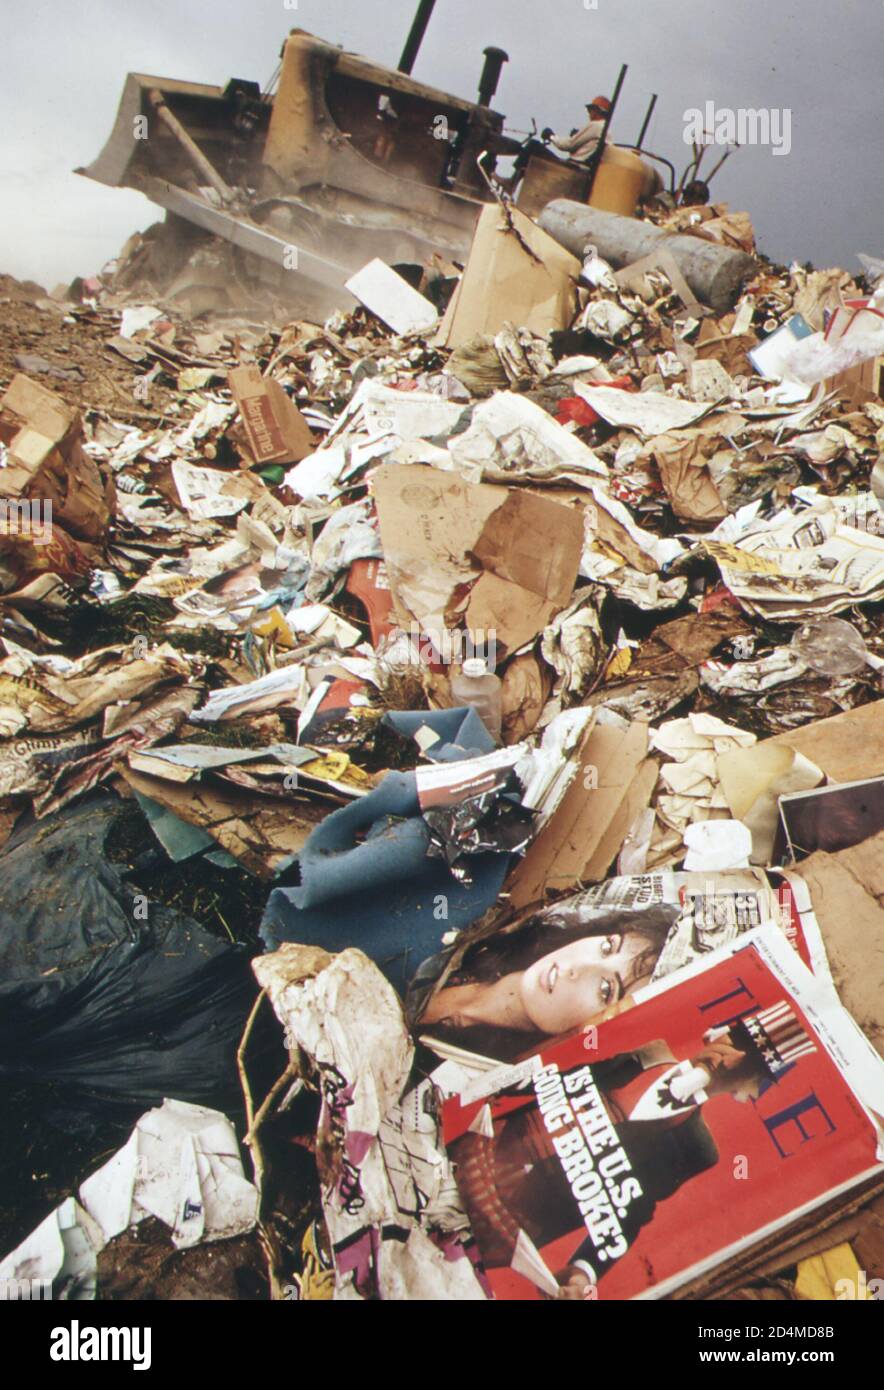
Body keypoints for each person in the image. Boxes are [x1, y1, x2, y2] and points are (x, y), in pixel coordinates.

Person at [449, 1003, 817, 1299]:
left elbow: (629, 1214)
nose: (729, 1059)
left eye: (750, 1064)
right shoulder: (649, 1052)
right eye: (737, 1041)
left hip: (500, 1228)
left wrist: (582, 1272)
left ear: (749, 1091)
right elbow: (562, 1076)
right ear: (716, 1032)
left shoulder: (697, 1150)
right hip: (469, 1149)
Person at [415, 895, 678, 1062]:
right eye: (607, 947)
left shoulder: (470, 1071)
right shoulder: (473, 917)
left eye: (606, 988)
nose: (579, 967)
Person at [542, 97, 611, 166]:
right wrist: (576, 136)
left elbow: (568, 145)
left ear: (596, 111)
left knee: (535, 146)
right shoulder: (606, 131)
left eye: (590, 109)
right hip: (585, 167)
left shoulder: (596, 125)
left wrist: (551, 136)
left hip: (575, 167)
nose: (589, 113)